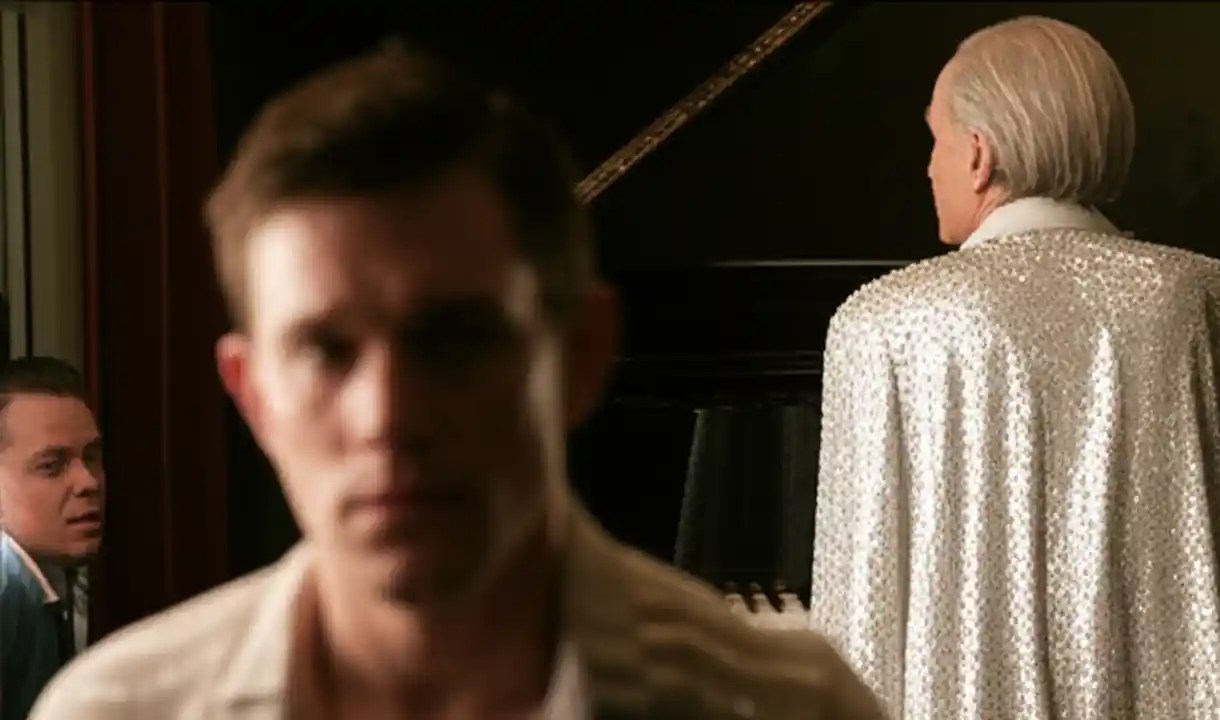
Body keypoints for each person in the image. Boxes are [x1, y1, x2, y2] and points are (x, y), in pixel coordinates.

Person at [30, 43, 883, 719]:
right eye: (326, 350)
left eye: (455, 339)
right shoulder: (116, 711)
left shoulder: (789, 708)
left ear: (580, 352)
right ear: (253, 395)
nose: (388, 416)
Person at [809, 15, 1220, 719]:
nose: (926, 166)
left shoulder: (881, 324)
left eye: (934, 139)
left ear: (977, 154)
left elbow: (860, 624)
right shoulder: (1216, 302)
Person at [0, 357, 104, 719]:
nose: (89, 482)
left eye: (92, 457)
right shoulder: (5, 587)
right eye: (51, 465)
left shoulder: (54, 577)